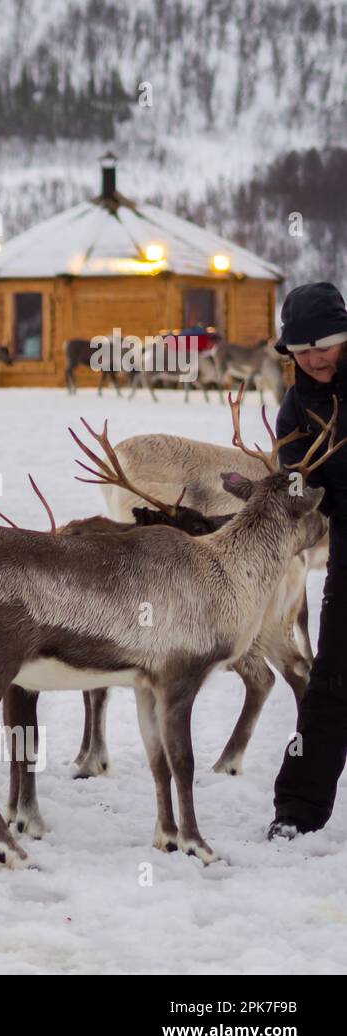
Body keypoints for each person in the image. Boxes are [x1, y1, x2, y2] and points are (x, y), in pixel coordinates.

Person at [268, 282, 347, 838]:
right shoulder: (297, 408)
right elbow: (304, 487)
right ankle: (297, 811)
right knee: (331, 682)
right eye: (301, 351)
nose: (314, 358)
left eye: (323, 346)